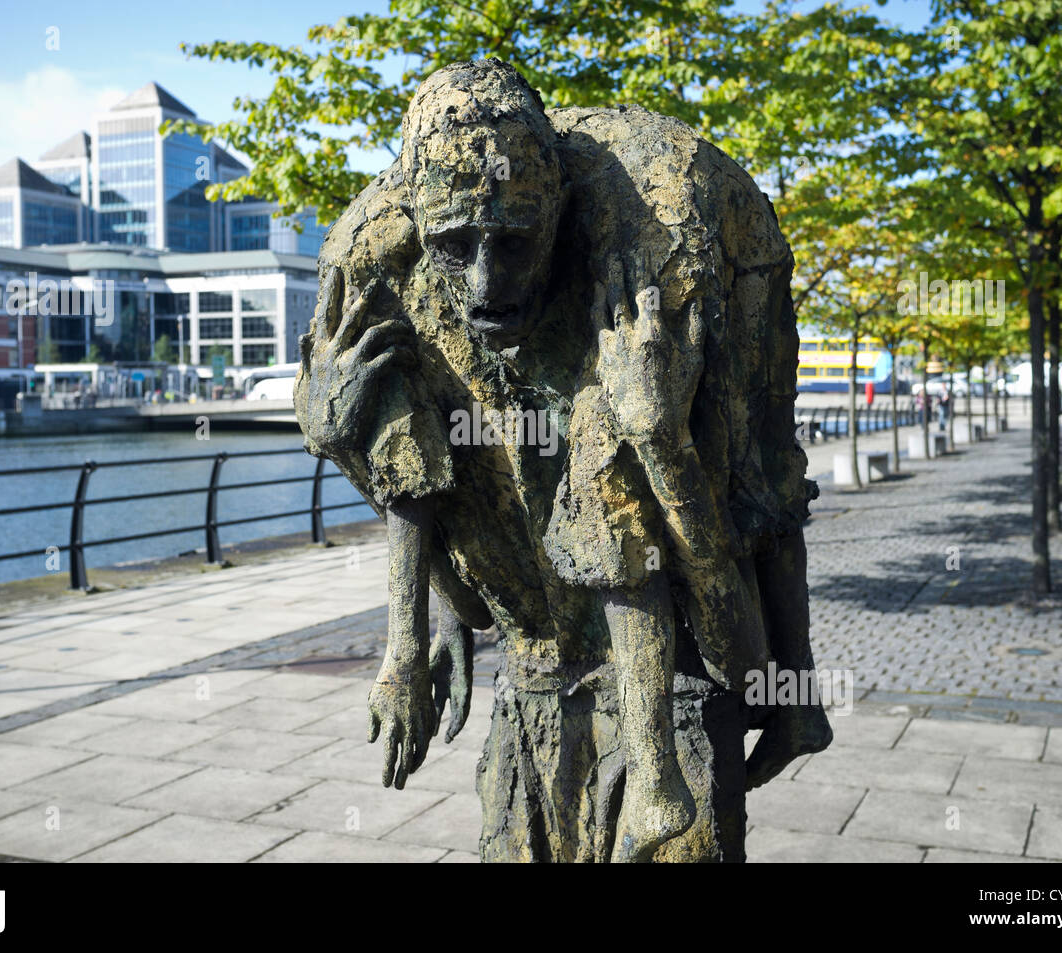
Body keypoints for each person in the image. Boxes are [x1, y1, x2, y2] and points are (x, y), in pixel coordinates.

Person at [297, 59, 829, 862]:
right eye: (455, 245)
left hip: (674, 683)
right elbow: (419, 481)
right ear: (414, 219)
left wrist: (660, 438)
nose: (487, 283)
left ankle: (707, 750)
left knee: (728, 474)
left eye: (513, 243)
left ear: (558, 209)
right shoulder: (370, 257)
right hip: (538, 683)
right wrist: (415, 624)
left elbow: (735, 615)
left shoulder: (655, 223)